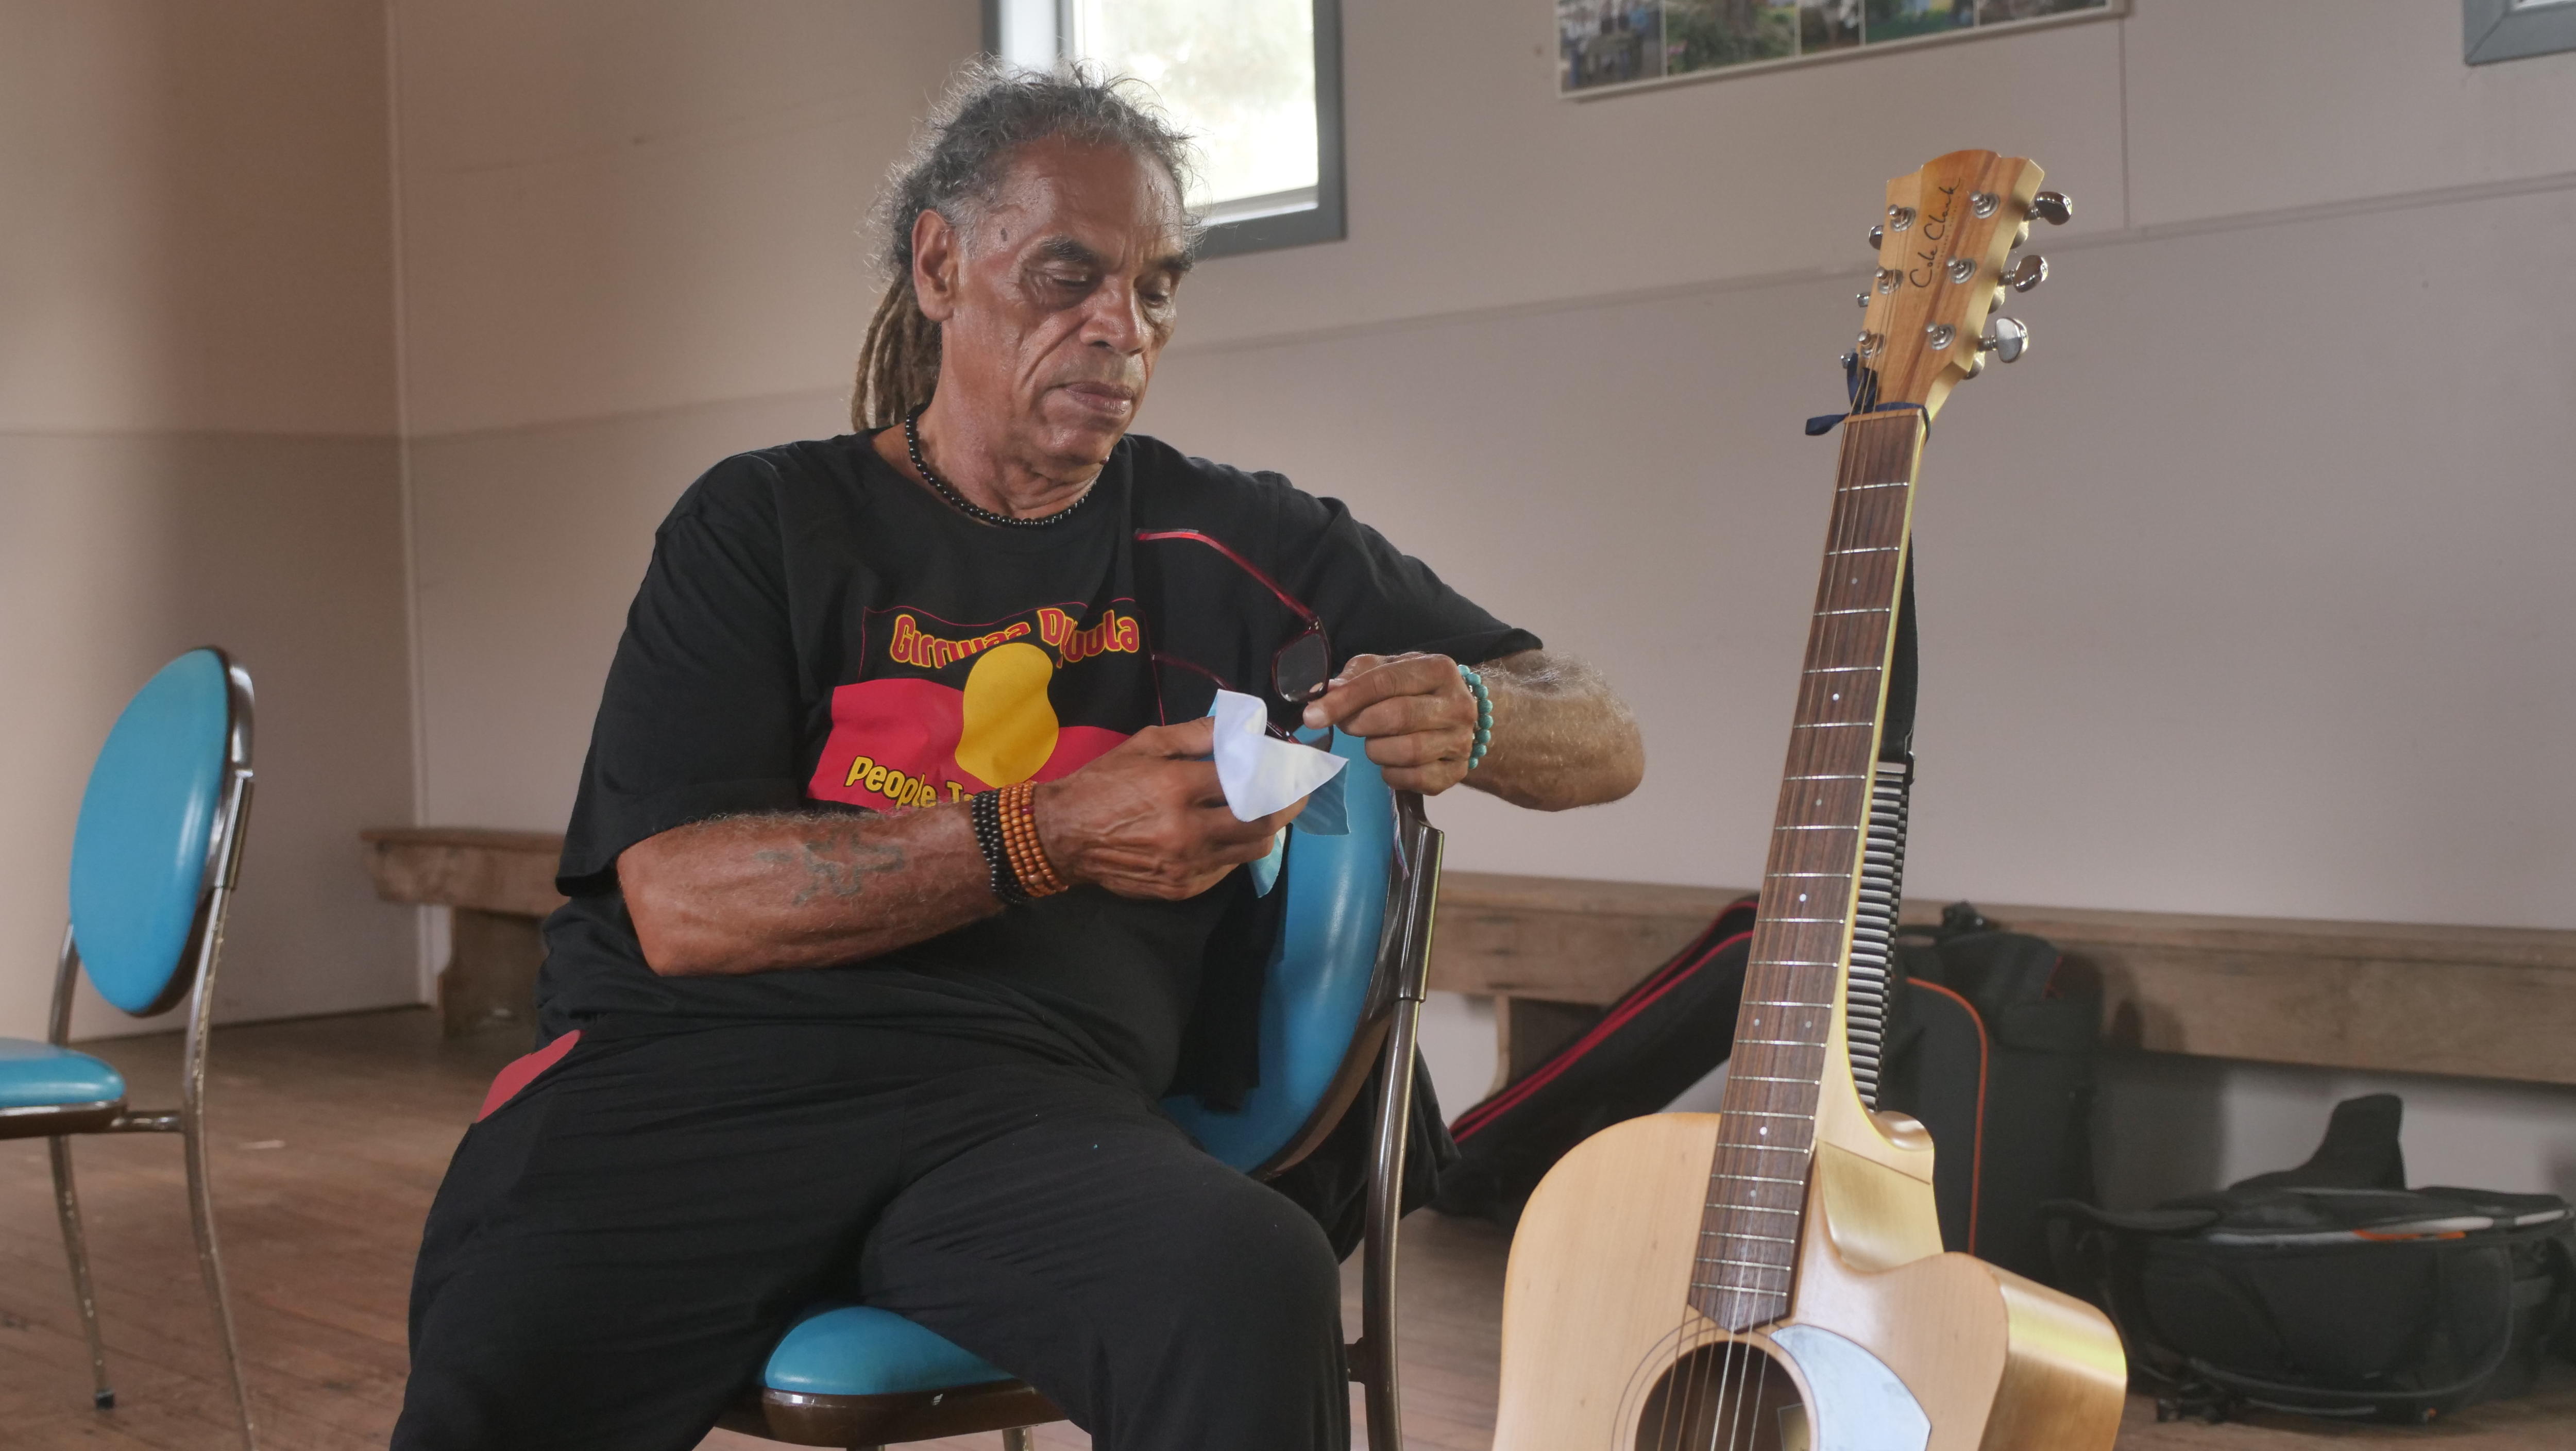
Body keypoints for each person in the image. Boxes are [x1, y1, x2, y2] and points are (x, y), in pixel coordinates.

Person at [392, 63, 1643, 1451]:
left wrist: (1479, 712)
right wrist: (1049, 832)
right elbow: (684, 906)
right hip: (692, 1088)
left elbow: (1601, 728)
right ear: (941, 265)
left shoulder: (1232, 539)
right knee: (505, 1350)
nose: (1122, 328)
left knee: (1245, 1274)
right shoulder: (765, 524)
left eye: (1157, 290)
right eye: (1068, 276)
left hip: (1030, 1110)